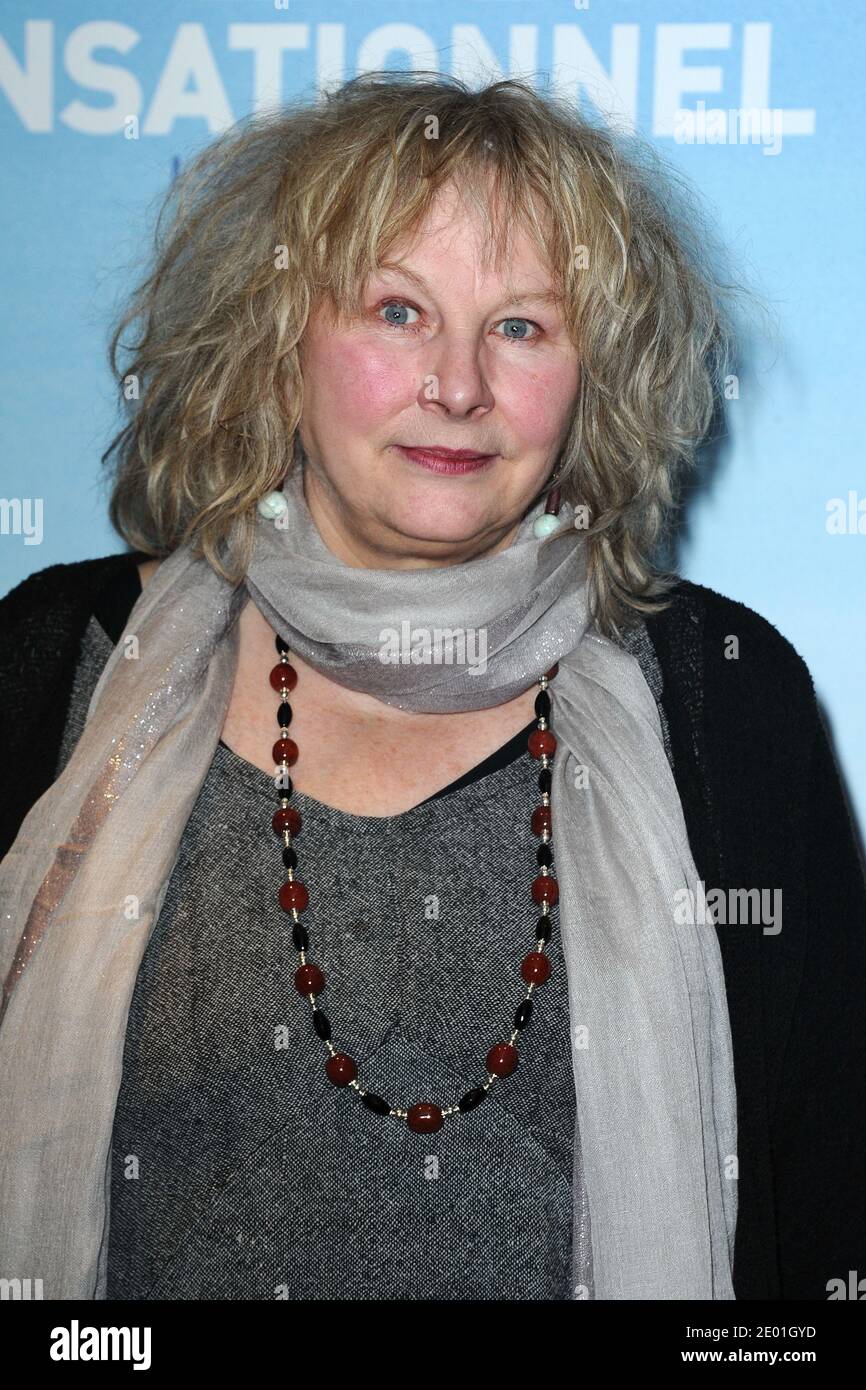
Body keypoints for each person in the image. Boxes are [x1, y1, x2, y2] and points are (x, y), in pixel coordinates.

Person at [1, 73, 864, 1303]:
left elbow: (826, 1203)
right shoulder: (56, 669)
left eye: (519, 326)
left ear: (589, 377)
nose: (456, 387)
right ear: (275, 337)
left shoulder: (725, 704)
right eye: (396, 311)